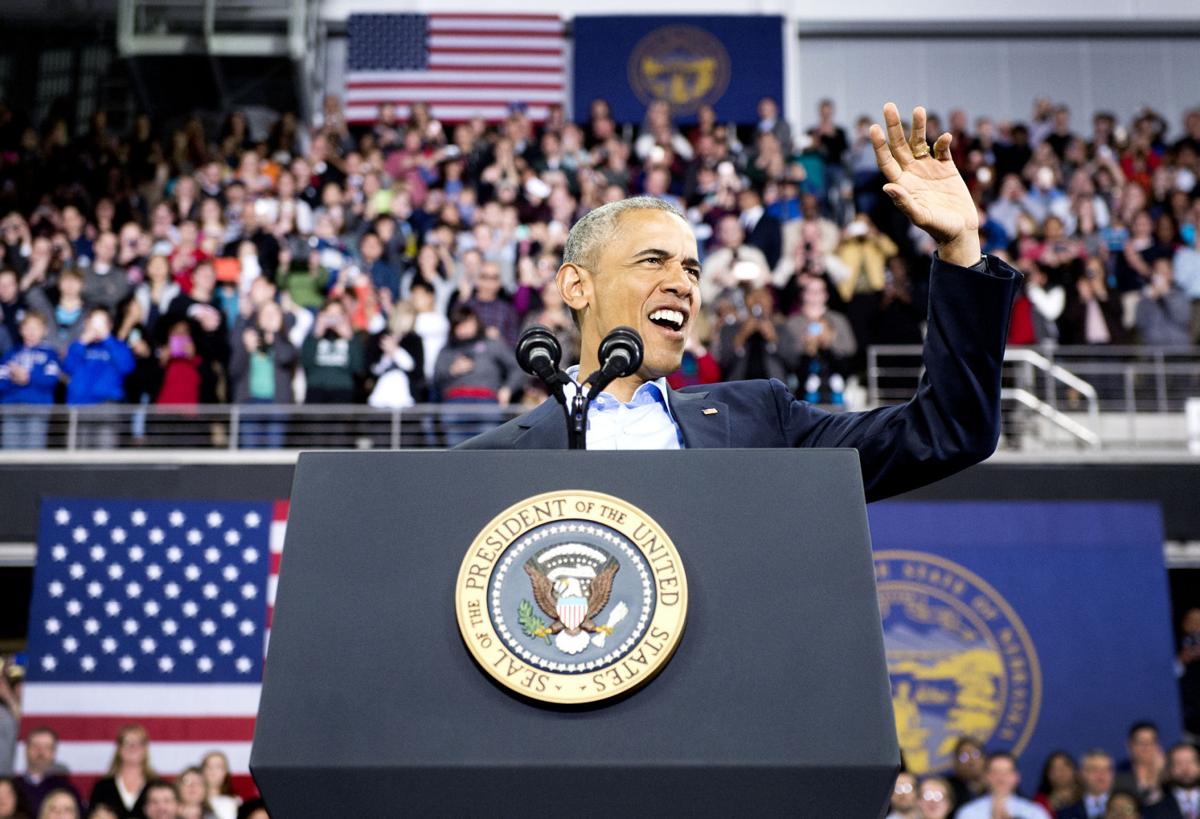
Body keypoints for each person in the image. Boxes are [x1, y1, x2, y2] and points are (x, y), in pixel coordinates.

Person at [460, 104, 1020, 506]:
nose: (683, 284)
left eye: (692, 269)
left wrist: (960, 248)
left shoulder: (758, 421)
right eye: (653, 261)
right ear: (576, 287)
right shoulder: (487, 464)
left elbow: (950, 430)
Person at [0, 313, 61, 449]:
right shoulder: (11, 354)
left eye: (36, 328)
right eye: (28, 327)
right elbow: (1, 381)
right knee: (10, 451)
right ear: (21, 330)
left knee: (34, 452)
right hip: (11, 406)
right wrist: (14, 379)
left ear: (44, 330)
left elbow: (51, 380)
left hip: (37, 407)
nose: (32, 332)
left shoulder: (50, 354)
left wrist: (28, 377)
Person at [956, 751, 1053, 819]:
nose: (1001, 778)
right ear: (986, 777)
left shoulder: (1034, 813)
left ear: (1016, 777)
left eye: (1006, 772)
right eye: (995, 772)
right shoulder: (968, 813)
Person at [89, 724, 154, 818]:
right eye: (127, 742)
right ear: (119, 748)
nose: (132, 747)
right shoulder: (102, 787)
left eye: (139, 742)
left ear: (145, 749)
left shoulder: (156, 785)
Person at [15, 729, 79, 817]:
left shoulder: (66, 788)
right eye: (35, 746)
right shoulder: (12, 788)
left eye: (47, 747)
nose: (40, 752)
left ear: (54, 752)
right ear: (26, 749)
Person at [1143, 743, 1200, 819]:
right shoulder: (1155, 807)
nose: (1185, 768)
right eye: (1178, 763)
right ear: (1170, 769)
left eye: (1191, 761)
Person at [1115, 722, 1166, 805]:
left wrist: (1158, 775)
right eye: (1141, 742)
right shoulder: (1119, 781)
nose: (1146, 748)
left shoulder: (1168, 778)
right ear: (1129, 746)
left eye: (1150, 742)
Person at [1060, 749, 1117, 819]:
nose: (1102, 776)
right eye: (1094, 770)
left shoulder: (1124, 809)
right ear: (1081, 774)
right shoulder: (1066, 813)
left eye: (1107, 769)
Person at [1036, 751, 1083, 816]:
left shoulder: (1087, 798)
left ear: (1074, 770)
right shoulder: (1039, 804)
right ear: (1048, 774)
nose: (1061, 771)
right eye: (1055, 768)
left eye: (1065, 766)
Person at [199, 752, 239, 819]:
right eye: (209, 766)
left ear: (226, 772)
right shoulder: (195, 801)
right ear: (202, 771)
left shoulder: (235, 802)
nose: (213, 771)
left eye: (218, 767)